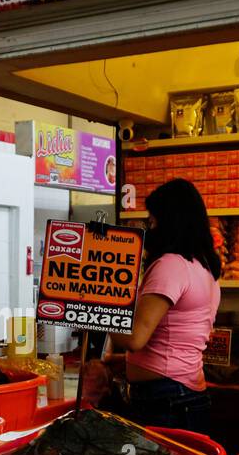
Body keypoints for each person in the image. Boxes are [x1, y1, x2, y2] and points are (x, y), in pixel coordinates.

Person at [88, 178, 223, 433]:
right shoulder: (204, 267)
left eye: (152, 220)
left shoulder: (170, 264)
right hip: (183, 394)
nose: (150, 227)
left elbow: (135, 338)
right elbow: (174, 339)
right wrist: (123, 361)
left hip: (166, 399)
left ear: (170, 221)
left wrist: (95, 308)